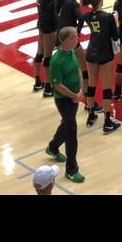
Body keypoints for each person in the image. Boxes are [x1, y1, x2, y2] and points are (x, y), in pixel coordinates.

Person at [45, 26, 86, 184]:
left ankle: (53, 147)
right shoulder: (56, 60)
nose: (78, 39)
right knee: (71, 132)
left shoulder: (71, 53)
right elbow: (58, 85)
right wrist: (74, 95)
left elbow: (78, 71)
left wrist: (81, 90)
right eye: (75, 37)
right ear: (66, 40)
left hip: (75, 97)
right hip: (63, 100)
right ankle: (71, 170)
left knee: (66, 124)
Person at [80, 0, 121, 133]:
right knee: (106, 88)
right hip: (105, 53)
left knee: (92, 85)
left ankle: (91, 115)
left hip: (91, 52)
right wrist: (116, 24)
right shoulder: (108, 17)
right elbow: (115, 37)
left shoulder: (87, 16)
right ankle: (108, 122)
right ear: (100, 1)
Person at [33, 0, 59, 96]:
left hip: (41, 22)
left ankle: (38, 82)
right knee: (48, 57)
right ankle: (48, 88)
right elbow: (54, 11)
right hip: (49, 25)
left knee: (40, 53)